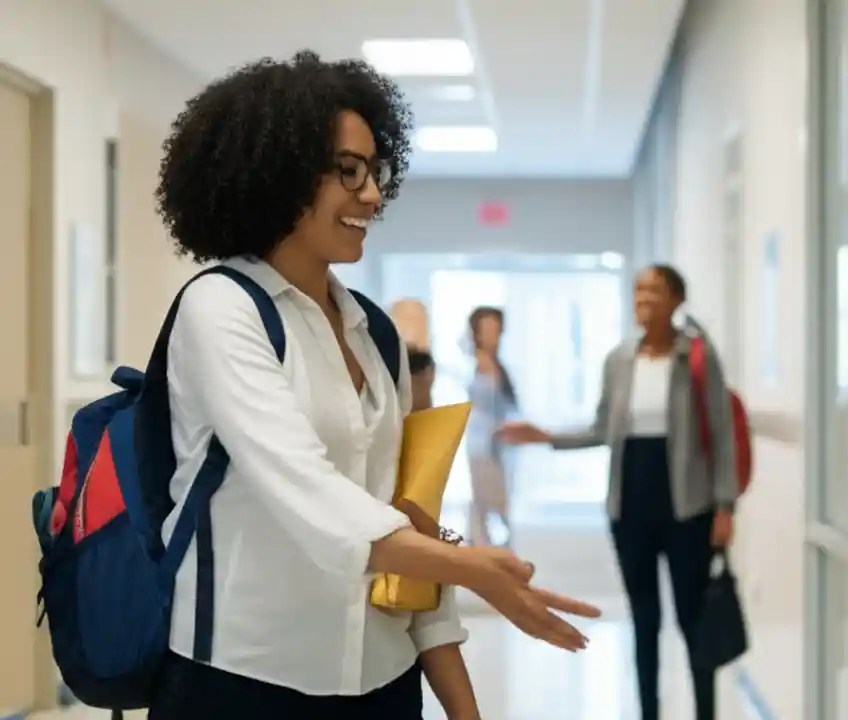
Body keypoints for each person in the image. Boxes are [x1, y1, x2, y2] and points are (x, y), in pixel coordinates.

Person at [149, 50, 598, 719]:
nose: (372, 195)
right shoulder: (221, 307)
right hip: (243, 678)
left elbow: (409, 517)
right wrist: (472, 566)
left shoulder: (375, 332)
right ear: (277, 172)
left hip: (384, 681)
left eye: (375, 171)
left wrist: (464, 707)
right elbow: (305, 488)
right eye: (347, 171)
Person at [502, 265, 737, 720]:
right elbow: (601, 428)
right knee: (644, 620)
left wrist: (725, 506)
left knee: (692, 619)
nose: (643, 297)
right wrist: (546, 436)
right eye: (638, 289)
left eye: (655, 290)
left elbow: (723, 434)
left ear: (676, 299)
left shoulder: (696, 357)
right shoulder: (619, 359)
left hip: (689, 507)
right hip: (630, 507)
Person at [465, 307, 519, 547]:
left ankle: (492, 547)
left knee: (497, 498)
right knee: (485, 498)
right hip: (481, 443)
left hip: (499, 443)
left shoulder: (498, 365)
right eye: (486, 330)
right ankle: (482, 546)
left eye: (496, 330)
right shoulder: (474, 363)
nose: (492, 336)